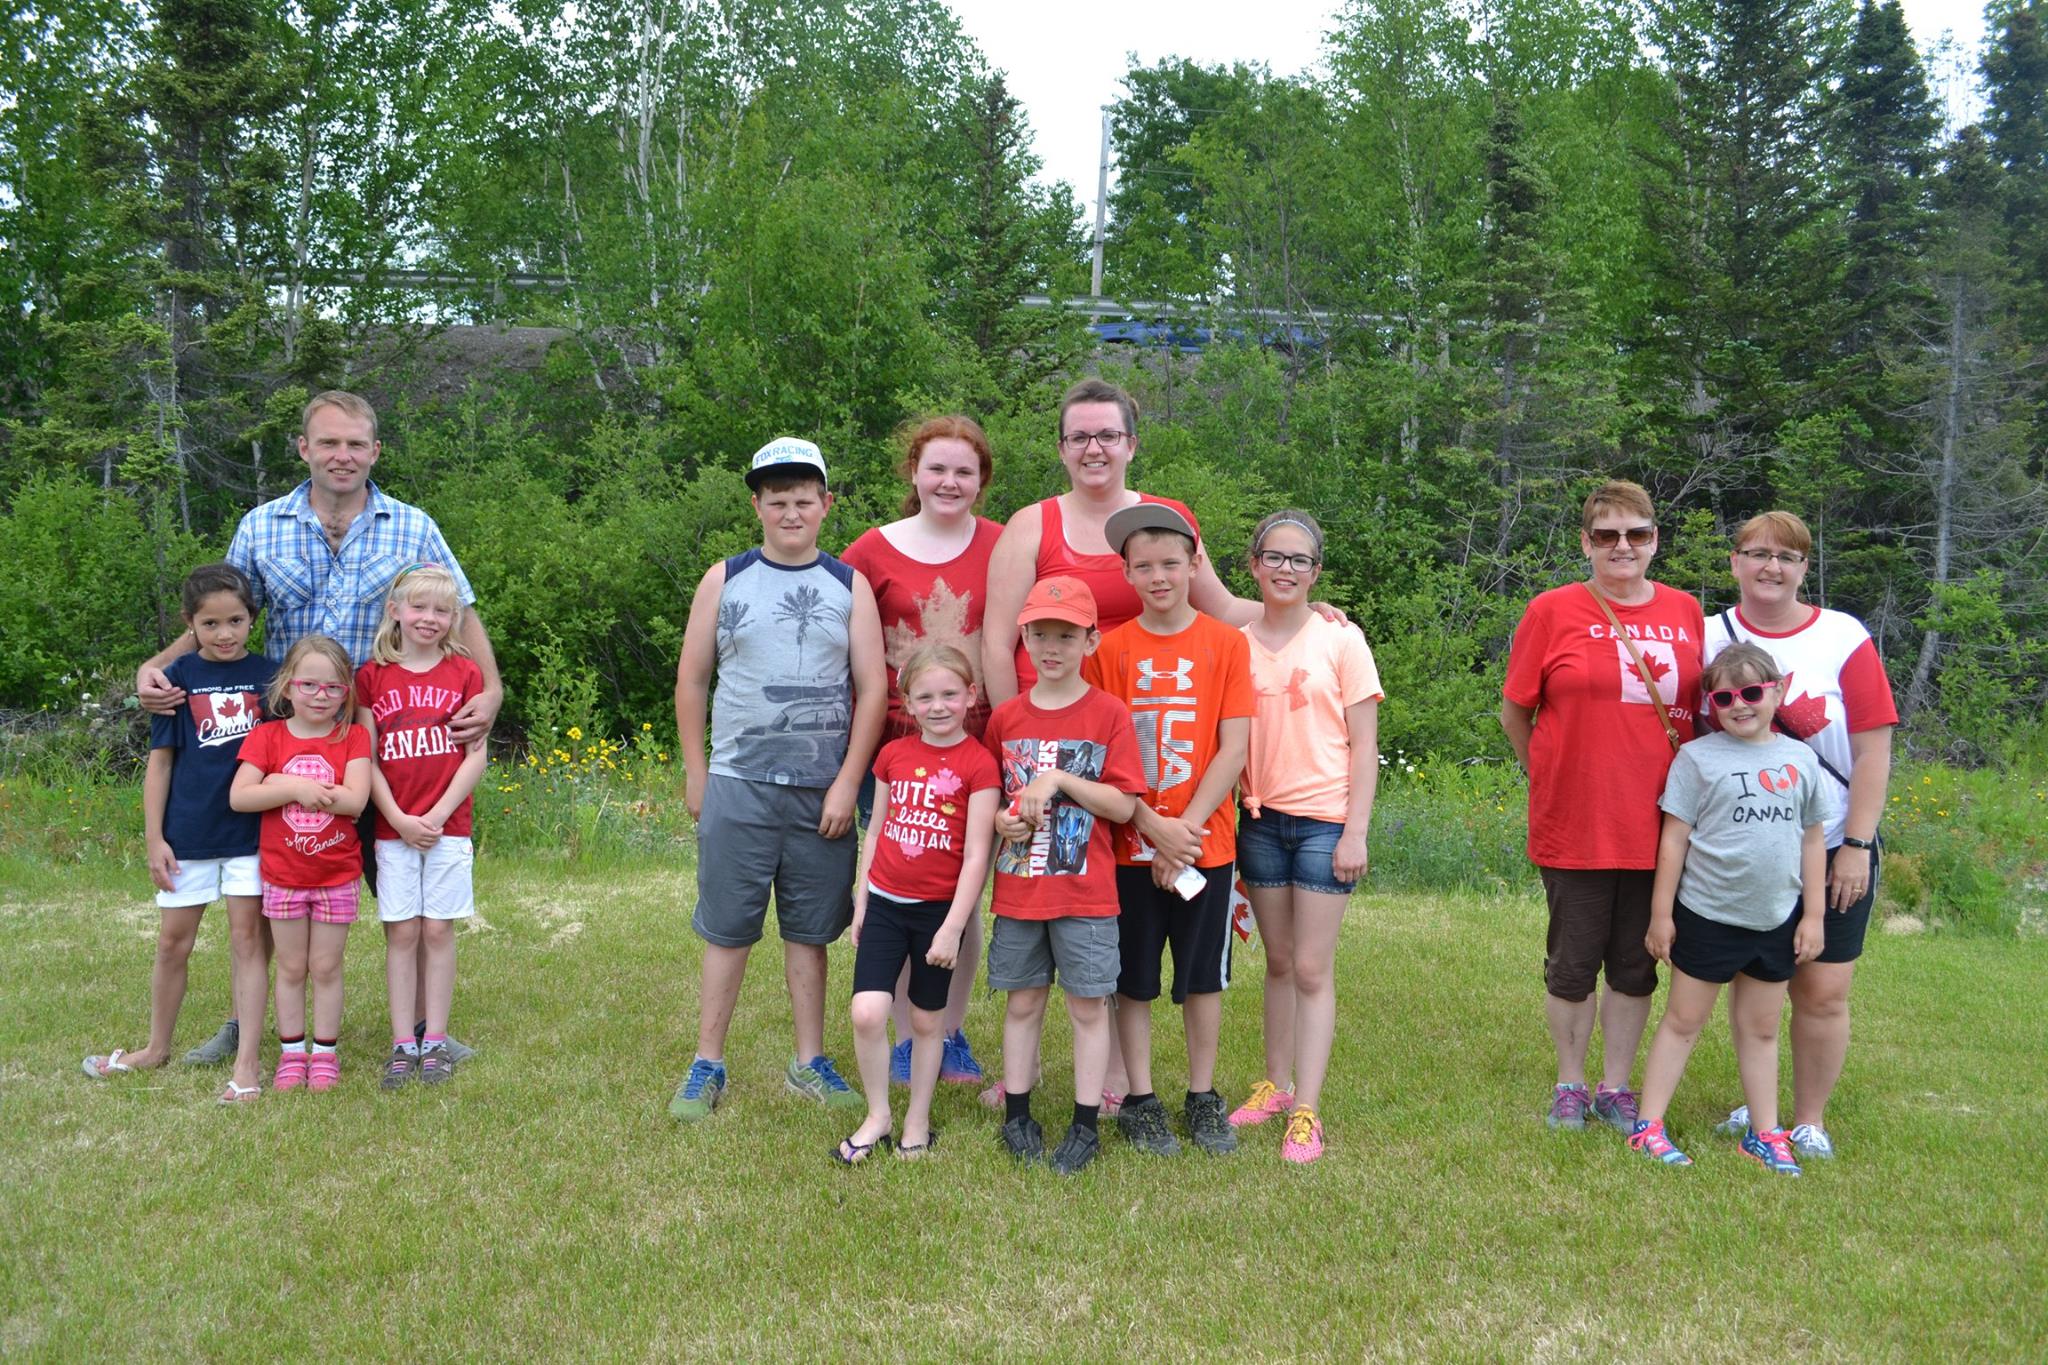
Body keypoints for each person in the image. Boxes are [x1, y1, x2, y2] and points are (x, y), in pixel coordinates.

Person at [133, 390, 502, 1067]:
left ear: (375, 451)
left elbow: (461, 610)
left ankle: (425, 1027)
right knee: (278, 876)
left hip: (384, 735)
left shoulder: (412, 526)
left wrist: (495, 687)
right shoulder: (261, 526)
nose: (343, 455)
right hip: (289, 737)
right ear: (303, 448)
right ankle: (247, 1024)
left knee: (401, 877)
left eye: (356, 444)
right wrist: (157, 665)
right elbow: (221, 618)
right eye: (329, 442)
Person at [668, 437, 886, 1122]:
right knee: (728, 927)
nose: (790, 512)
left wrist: (849, 781)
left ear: (826, 505)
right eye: (776, 500)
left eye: (803, 500)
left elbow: (873, 688)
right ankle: (708, 1061)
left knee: (810, 930)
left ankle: (807, 1059)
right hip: (737, 781)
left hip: (821, 792)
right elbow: (692, 679)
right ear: (755, 504)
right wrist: (697, 772)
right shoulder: (724, 578)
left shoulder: (848, 585)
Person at [1500, 480, 1704, 1133]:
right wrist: (1548, 771)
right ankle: (1570, 1080)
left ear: (1654, 540)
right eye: (1608, 535)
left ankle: (1616, 1084)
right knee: (1572, 960)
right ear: (1586, 542)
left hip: (1659, 823)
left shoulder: (1686, 610)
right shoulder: (1551, 610)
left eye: (1637, 533)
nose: (1623, 546)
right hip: (1577, 819)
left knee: (1636, 960)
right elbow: (1515, 709)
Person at [1702, 511, 1896, 1160]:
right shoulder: (1706, 638)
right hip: (1744, 847)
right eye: (1756, 553)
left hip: (1833, 840)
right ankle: (1759, 1106)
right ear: (1734, 562)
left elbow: (1873, 750)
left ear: (1805, 568)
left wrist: (1858, 846)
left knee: (1824, 987)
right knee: (1756, 983)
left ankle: (1808, 1117)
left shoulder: (1843, 636)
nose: (1770, 567)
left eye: (1786, 557)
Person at [1083, 504, 1253, 1159]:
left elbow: (1232, 747)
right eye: (1144, 566)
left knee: (1201, 978)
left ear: (1194, 565)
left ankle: (1203, 1096)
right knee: (1134, 978)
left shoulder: (1226, 642)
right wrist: (1151, 828)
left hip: (1205, 846)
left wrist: (1183, 830)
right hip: (1130, 843)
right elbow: (1102, 750)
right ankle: (1141, 1098)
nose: (1158, 577)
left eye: (1170, 564)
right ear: (1126, 573)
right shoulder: (1112, 650)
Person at [840, 415, 1004, 1091]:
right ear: (913, 471)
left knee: (962, 895)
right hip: (895, 753)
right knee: (901, 890)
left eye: (965, 471)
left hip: (979, 752)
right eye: (937, 467)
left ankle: (949, 1027)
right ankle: (908, 1037)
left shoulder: (1005, 544)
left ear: (981, 481)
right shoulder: (872, 552)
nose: (949, 481)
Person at [1627, 643, 1832, 1173]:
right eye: (1724, 697)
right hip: (1707, 914)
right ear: (1711, 705)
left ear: (1777, 690)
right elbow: (1673, 840)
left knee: (1762, 1029)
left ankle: (1765, 1134)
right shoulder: (1698, 758)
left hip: (1775, 918)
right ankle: (1647, 1125)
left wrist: (1812, 915)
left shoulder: (1800, 759)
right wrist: (1661, 914)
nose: (1739, 704)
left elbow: (1812, 841)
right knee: (1683, 1021)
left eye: (1751, 692)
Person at [83, 564, 278, 1103]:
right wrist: (154, 838)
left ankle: (246, 1065)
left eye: (236, 620)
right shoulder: (177, 679)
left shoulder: (271, 676)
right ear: (190, 624)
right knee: (173, 942)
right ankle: (155, 1047)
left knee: (248, 943)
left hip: (250, 836)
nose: (224, 634)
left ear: (251, 619)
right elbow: (161, 764)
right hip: (187, 834)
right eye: (210, 623)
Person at [1226, 511, 1382, 1164]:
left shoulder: (1341, 639)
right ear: (1254, 565)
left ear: (1316, 573)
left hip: (1324, 820)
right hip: (1260, 820)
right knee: (1280, 961)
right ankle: (1275, 1085)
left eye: (1299, 560)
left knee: (1314, 966)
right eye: (1274, 557)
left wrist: (1356, 831)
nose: (1285, 569)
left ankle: (1309, 1111)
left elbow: (1366, 743)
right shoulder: (1234, 640)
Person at [986, 576, 1145, 1176]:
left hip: (1086, 893)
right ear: (1023, 637)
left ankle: (1084, 1125)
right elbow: (997, 802)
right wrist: (1007, 821)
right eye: (1039, 634)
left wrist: (1057, 781)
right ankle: (1018, 1115)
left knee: (1086, 1007)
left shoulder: (1108, 714)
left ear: (1090, 641)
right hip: (1021, 890)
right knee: (1023, 1002)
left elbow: (1125, 805)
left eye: (1066, 635)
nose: (1051, 647)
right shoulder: (1006, 719)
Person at [839, 644, 1001, 1163]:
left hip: (937, 913)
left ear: (970, 696)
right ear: (906, 702)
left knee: (929, 1020)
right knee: (867, 1012)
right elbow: (877, 828)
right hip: (886, 904)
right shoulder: (892, 757)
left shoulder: (980, 765)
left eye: (950, 694)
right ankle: (878, 1114)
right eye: (925, 696)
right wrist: (862, 900)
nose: (938, 706)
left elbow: (977, 854)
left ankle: (918, 1119)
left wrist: (954, 927)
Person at [354, 565, 489, 1089]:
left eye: (441, 610)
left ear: (454, 617)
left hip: (447, 826)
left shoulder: (464, 672)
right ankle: (401, 1043)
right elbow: (366, 758)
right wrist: (398, 818)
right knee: (402, 931)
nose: (429, 618)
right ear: (396, 612)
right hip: (394, 829)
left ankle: (435, 1040)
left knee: (437, 929)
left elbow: (475, 757)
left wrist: (434, 816)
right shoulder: (372, 676)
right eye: (419, 608)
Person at [229, 635, 372, 1093]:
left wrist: (283, 783)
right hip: (284, 877)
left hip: (337, 875)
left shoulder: (353, 736)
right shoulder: (267, 736)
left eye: (333, 688)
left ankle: (325, 1054)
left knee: (326, 967)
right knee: (290, 968)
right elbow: (240, 796)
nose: (320, 696)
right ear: (288, 687)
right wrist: (292, 786)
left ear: (345, 693)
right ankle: (292, 1054)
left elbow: (356, 800)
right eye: (309, 685)